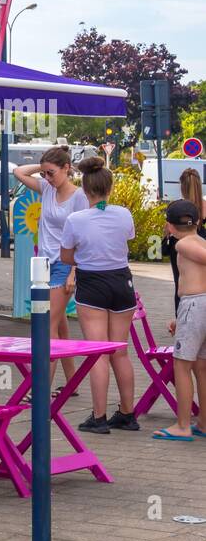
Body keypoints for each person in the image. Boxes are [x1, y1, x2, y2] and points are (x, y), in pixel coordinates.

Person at [60, 156, 138, 434]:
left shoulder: (76, 219)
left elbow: (67, 257)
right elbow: (126, 238)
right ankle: (128, 414)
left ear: (85, 190)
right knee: (120, 350)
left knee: (98, 353)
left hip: (92, 282)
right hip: (122, 281)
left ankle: (99, 416)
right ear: (110, 188)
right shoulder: (124, 214)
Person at [13, 147, 87, 388]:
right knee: (59, 324)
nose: (47, 178)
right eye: (44, 174)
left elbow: (82, 237)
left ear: (67, 168)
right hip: (43, 265)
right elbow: (18, 171)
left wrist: (74, 272)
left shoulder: (79, 197)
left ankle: (40, 389)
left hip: (64, 266)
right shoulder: (46, 188)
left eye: (51, 173)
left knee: (45, 327)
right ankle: (71, 382)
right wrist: (42, 166)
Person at [155, 200, 206, 441]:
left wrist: (185, 316)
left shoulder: (184, 245)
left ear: (169, 226)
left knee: (182, 366)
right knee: (201, 367)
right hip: (199, 306)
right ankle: (203, 422)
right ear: (198, 222)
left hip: (194, 305)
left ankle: (183, 425)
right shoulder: (200, 239)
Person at [167, 168, 206, 310]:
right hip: (201, 243)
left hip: (178, 245)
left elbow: (168, 229)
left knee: (181, 282)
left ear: (182, 186)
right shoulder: (204, 206)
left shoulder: (177, 207)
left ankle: (182, 316)